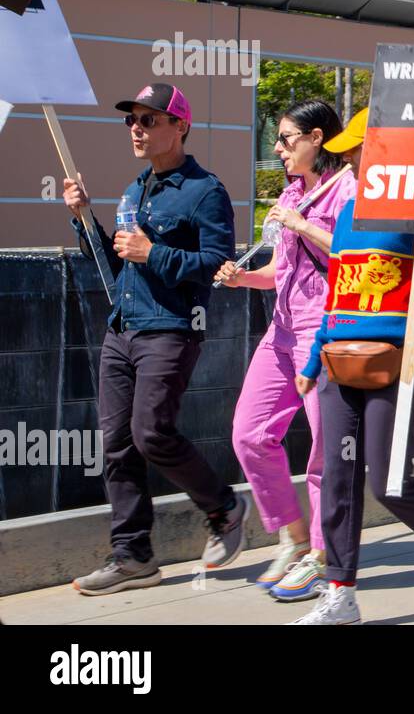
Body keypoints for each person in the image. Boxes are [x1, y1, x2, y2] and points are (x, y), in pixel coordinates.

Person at [291, 107, 414, 624]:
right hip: (339, 363)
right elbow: (338, 295)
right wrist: (313, 361)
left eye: (357, 151)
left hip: (396, 360)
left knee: (389, 482)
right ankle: (340, 593)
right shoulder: (349, 216)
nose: (350, 161)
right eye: (349, 154)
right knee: (338, 477)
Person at [63, 83, 242, 596]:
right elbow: (115, 263)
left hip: (170, 328)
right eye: (132, 121)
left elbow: (215, 266)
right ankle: (132, 556)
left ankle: (224, 506)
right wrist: (85, 220)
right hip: (122, 328)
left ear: (179, 127)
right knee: (117, 446)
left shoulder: (205, 191)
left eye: (149, 120)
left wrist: (153, 254)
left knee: (151, 434)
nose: (137, 129)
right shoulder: (134, 189)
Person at [214, 101, 355, 601]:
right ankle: (293, 538)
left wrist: (297, 222)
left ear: (317, 138)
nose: (277, 148)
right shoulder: (293, 192)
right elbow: (285, 270)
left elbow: (351, 257)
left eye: (286, 138)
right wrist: (245, 278)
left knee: (324, 451)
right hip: (282, 328)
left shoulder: (348, 189)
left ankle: (322, 555)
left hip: (327, 329)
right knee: (249, 433)